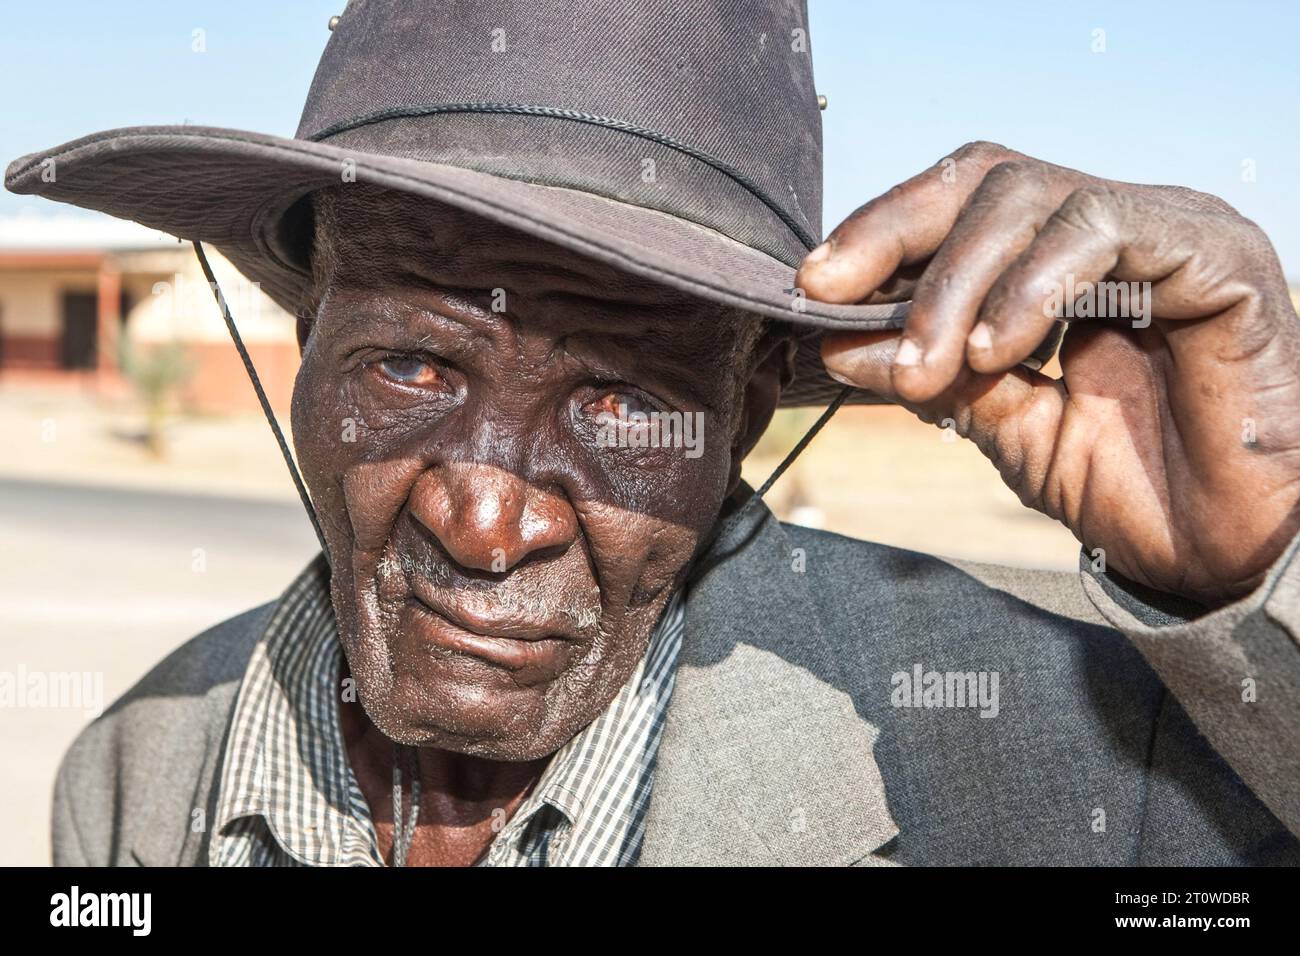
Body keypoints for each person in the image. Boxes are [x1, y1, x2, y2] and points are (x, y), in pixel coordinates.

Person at [9, 0, 1298, 866]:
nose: (487, 520)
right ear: (305, 350)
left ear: (739, 415)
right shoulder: (134, 773)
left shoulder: (1071, 751)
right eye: (409, 364)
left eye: (623, 400)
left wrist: (1255, 568)